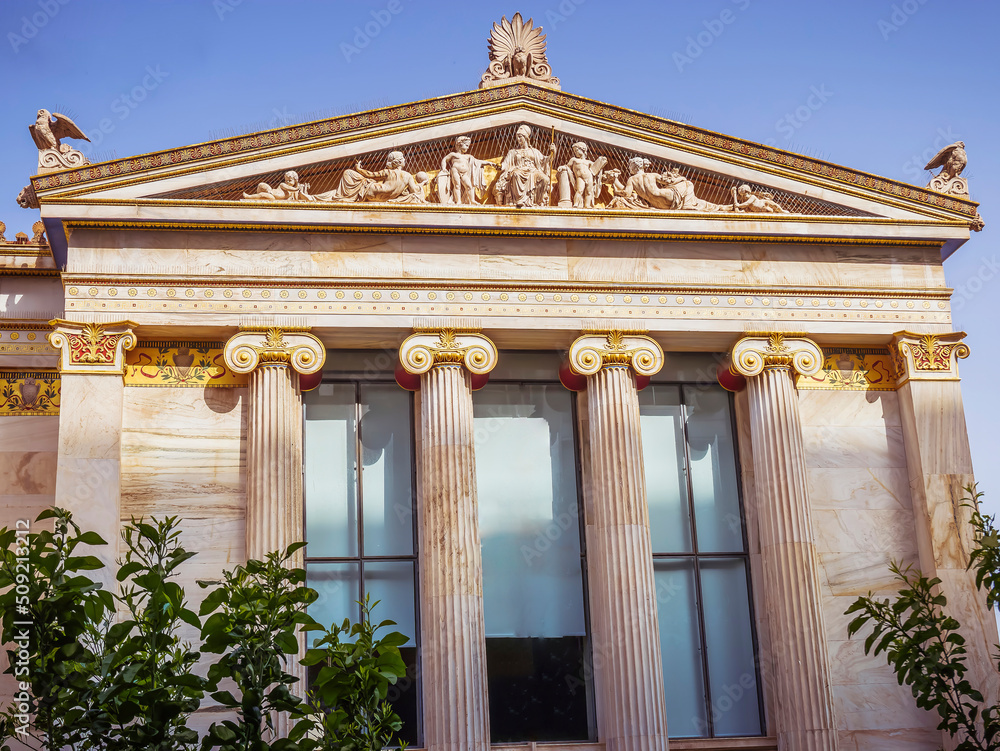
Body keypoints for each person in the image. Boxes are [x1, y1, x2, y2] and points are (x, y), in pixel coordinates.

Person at [319, 151, 428, 203]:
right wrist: (422, 184)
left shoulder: (388, 172)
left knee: (347, 173)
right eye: (403, 158)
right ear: (399, 161)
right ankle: (321, 198)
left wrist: (358, 168)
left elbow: (371, 174)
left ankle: (319, 198)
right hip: (384, 197)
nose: (405, 160)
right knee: (348, 186)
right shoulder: (408, 176)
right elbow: (414, 191)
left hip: (372, 192)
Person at [493, 124, 555, 208]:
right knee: (516, 174)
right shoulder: (513, 152)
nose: (518, 139)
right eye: (517, 137)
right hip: (519, 170)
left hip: (533, 172)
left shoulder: (534, 151)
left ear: (526, 137)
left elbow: (546, 161)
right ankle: (520, 201)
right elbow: (506, 164)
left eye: (520, 137)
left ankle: (539, 202)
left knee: (545, 179)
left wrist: (553, 152)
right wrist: (500, 166)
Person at [557, 141, 608, 208]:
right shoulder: (574, 160)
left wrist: (602, 161)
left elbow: (596, 167)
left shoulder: (588, 162)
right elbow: (567, 166)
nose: (575, 152)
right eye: (574, 151)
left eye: (576, 150)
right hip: (580, 177)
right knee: (579, 190)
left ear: (583, 149)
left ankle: (587, 205)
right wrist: (562, 167)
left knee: (589, 192)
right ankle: (576, 204)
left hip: (589, 177)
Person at [438, 135, 485, 205]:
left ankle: (472, 200)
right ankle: (458, 201)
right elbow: (445, 159)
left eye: (468, 145)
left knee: (469, 186)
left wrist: (490, 163)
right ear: (460, 144)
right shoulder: (453, 154)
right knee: (457, 185)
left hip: (465, 173)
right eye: (466, 145)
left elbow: (478, 162)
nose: (468, 147)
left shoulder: (468, 156)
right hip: (455, 170)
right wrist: (444, 168)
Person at [242, 170, 316, 202]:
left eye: (289, 180)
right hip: (272, 192)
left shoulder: (294, 191)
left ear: (295, 181)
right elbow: (290, 188)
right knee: (261, 188)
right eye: (286, 180)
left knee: (263, 196)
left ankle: (250, 197)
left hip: (273, 197)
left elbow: (302, 195)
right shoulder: (282, 184)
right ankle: (249, 197)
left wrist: (304, 188)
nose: (287, 182)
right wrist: (297, 188)